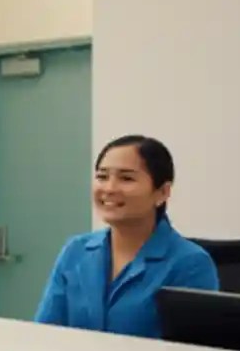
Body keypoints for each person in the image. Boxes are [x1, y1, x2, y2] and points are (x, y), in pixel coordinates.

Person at [34, 135, 218, 338]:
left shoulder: (190, 263)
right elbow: (45, 335)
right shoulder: (75, 250)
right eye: (102, 176)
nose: (110, 189)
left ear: (162, 192)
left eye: (126, 178)